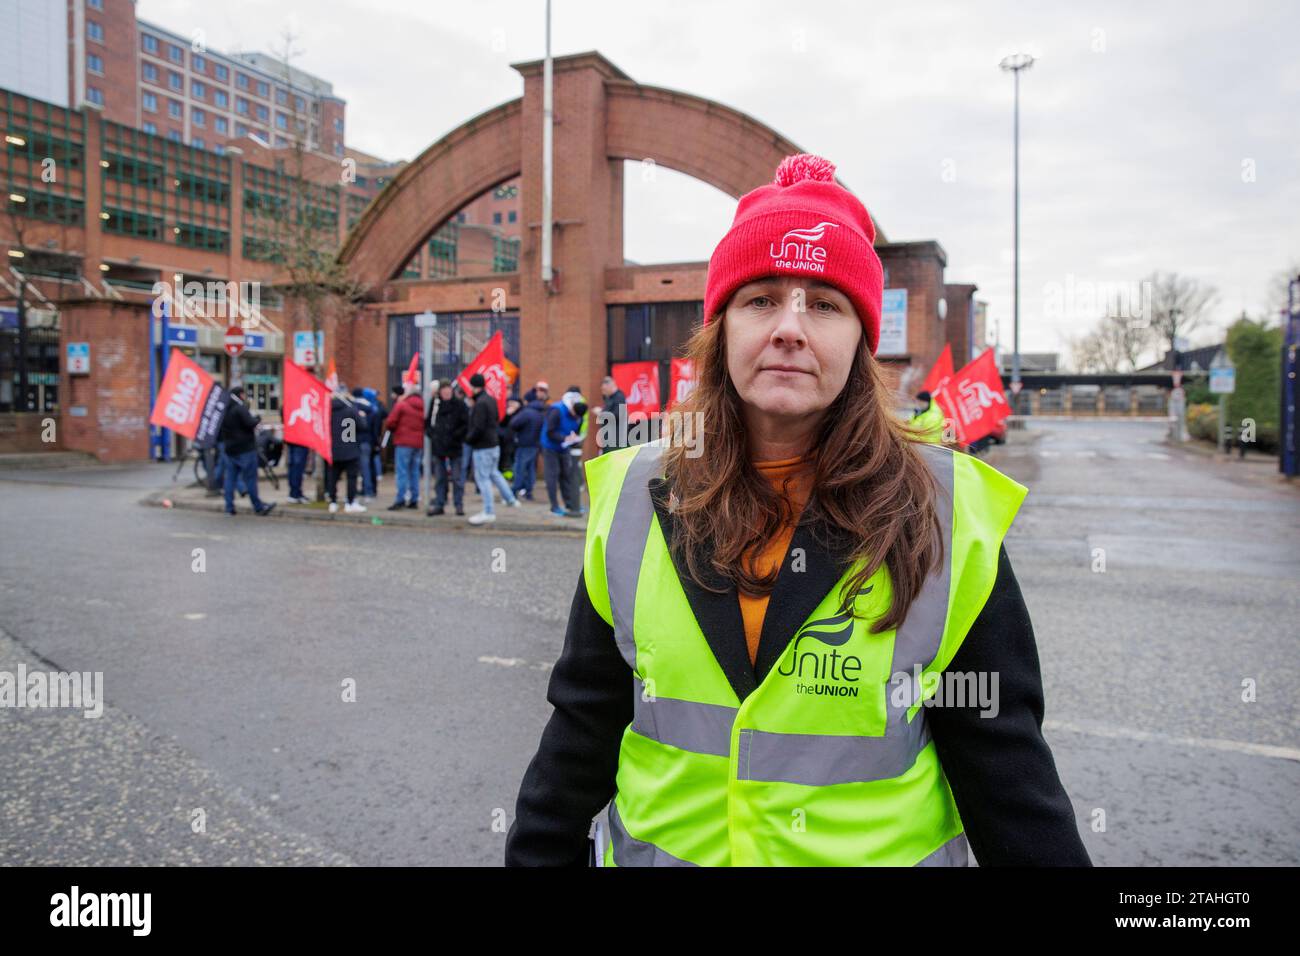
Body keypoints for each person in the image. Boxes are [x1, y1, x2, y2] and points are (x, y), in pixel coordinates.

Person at [505, 152, 1090, 867]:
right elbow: (581, 731)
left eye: (824, 303)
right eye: (761, 299)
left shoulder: (944, 512)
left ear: (860, 340)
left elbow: (1009, 781)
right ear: (720, 329)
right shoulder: (635, 492)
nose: (790, 326)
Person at [464, 373, 521, 525]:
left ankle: (488, 511)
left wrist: (468, 439)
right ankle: (510, 499)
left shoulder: (481, 403)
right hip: (493, 443)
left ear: (475, 387)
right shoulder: (490, 400)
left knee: (483, 478)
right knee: (494, 473)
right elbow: (495, 419)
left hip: (483, 446)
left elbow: (478, 426)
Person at [217, 384, 275, 517]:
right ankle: (258, 507)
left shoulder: (224, 409)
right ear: (240, 395)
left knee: (230, 479)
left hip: (230, 449)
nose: (245, 397)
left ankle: (229, 507)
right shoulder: (240, 408)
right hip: (245, 449)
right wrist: (258, 418)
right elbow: (250, 423)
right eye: (243, 394)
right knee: (250, 478)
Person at [538, 388, 584, 518]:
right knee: (552, 475)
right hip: (550, 447)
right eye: (574, 414)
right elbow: (550, 432)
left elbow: (577, 431)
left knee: (566, 475)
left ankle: (570, 503)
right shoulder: (557, 410)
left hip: (564, 448)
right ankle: (554, 506)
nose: (576, 418)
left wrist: (574, 439)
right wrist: (564, 438)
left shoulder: (578, 416)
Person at [426, 379, 468, 516]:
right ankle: (440, 503)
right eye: (443, 389)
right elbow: (428, 423)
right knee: (440, 477)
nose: (446, 391)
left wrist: (456, 436)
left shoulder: (460, 405)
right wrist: (433, 435)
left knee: (456, 478)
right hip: (439, 447)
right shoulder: (435, 404)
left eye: (448, 388)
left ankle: (458, 504)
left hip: (455, 447)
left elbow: (465, 424)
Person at [383, 380, 424, 510]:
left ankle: (400, 499)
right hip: (418, 443)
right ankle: (414, 499)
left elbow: (390, 422)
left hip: (403, 442)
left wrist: (395, 430)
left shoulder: (402, 405)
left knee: (402, 471)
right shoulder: (424, 406)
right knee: (414, 471)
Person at [327, 388, 367, 513]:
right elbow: (362, 426)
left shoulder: (328, 412)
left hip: (333, 449)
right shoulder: (350, 410)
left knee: (333, 477)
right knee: (351, 477)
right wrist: (361, 417)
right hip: (350, 448)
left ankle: (333, 502)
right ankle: (350, 502)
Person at [509, 388, 546, 501]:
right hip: (535, 444)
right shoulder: (540, 412)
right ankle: (529, 492)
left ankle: (514, 491)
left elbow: (513, 423)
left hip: (524, 444)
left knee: (520, 468)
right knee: (530, 470)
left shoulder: (526, 412)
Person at [351, 386, 377, 501]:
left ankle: (355, 492)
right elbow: (374, 428)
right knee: (366, 468)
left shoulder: (352, 408)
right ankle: (368, 491)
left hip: (355, 441)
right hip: (367, 441)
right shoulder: (372, 408)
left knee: (354, 469)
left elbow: (349, 426)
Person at [596, 375, 628, 454]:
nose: (603, 391)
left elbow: (618, 415)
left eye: (604, 389)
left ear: (610, 385)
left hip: (614, 438)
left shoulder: (619, 397)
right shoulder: (609, 398)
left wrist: (601, 413)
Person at [499, 397, 520, 485]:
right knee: (507, 461)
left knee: (514, 460)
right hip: (506, 441)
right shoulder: (506, 413)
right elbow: (501, 423)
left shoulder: (521, 413)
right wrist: (507, 414)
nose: (511, 404)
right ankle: (508, 477)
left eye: (513, 402)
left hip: (517, 441)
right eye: (510, 402)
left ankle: (512, 477)